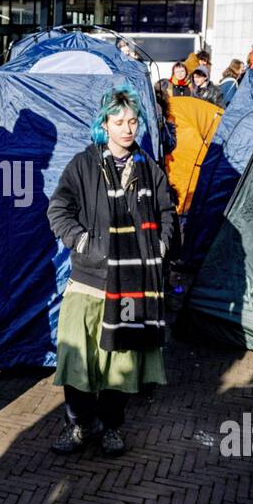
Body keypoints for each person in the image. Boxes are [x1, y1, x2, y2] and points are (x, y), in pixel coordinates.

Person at [46, 85, 176, 458]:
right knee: (79, 359)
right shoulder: (84, 164)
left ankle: (112, 426)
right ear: (104, 124)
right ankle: (79, 425)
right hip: (89, 281)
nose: (127, 129)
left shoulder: (148, 168)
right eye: (119, 121)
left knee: (119, 362)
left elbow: (167, 212)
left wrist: (162, 244)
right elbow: (58, 209)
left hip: (132, 284)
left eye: (133, 121)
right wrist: (85, 243)